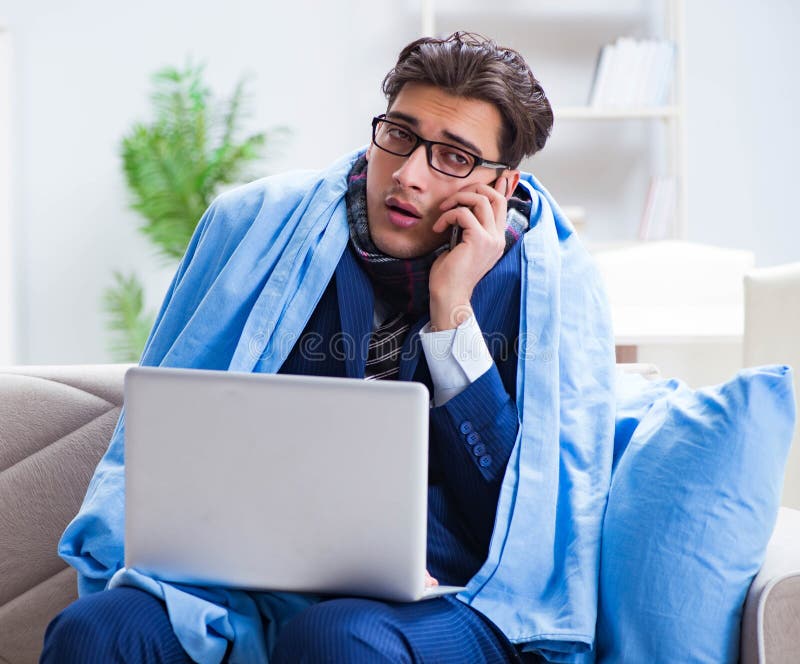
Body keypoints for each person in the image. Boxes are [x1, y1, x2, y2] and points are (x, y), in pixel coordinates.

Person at [42, 32, 616, 663]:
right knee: (97, 630)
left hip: (453, 597)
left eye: (452, 157)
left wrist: (452, 316)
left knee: (336, 637)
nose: (407, 174)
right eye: (399, 134)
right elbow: (173, 444)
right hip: (244, 585)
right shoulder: (261, 233)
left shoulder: (541, 286)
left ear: (501, 185)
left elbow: (519, 524)